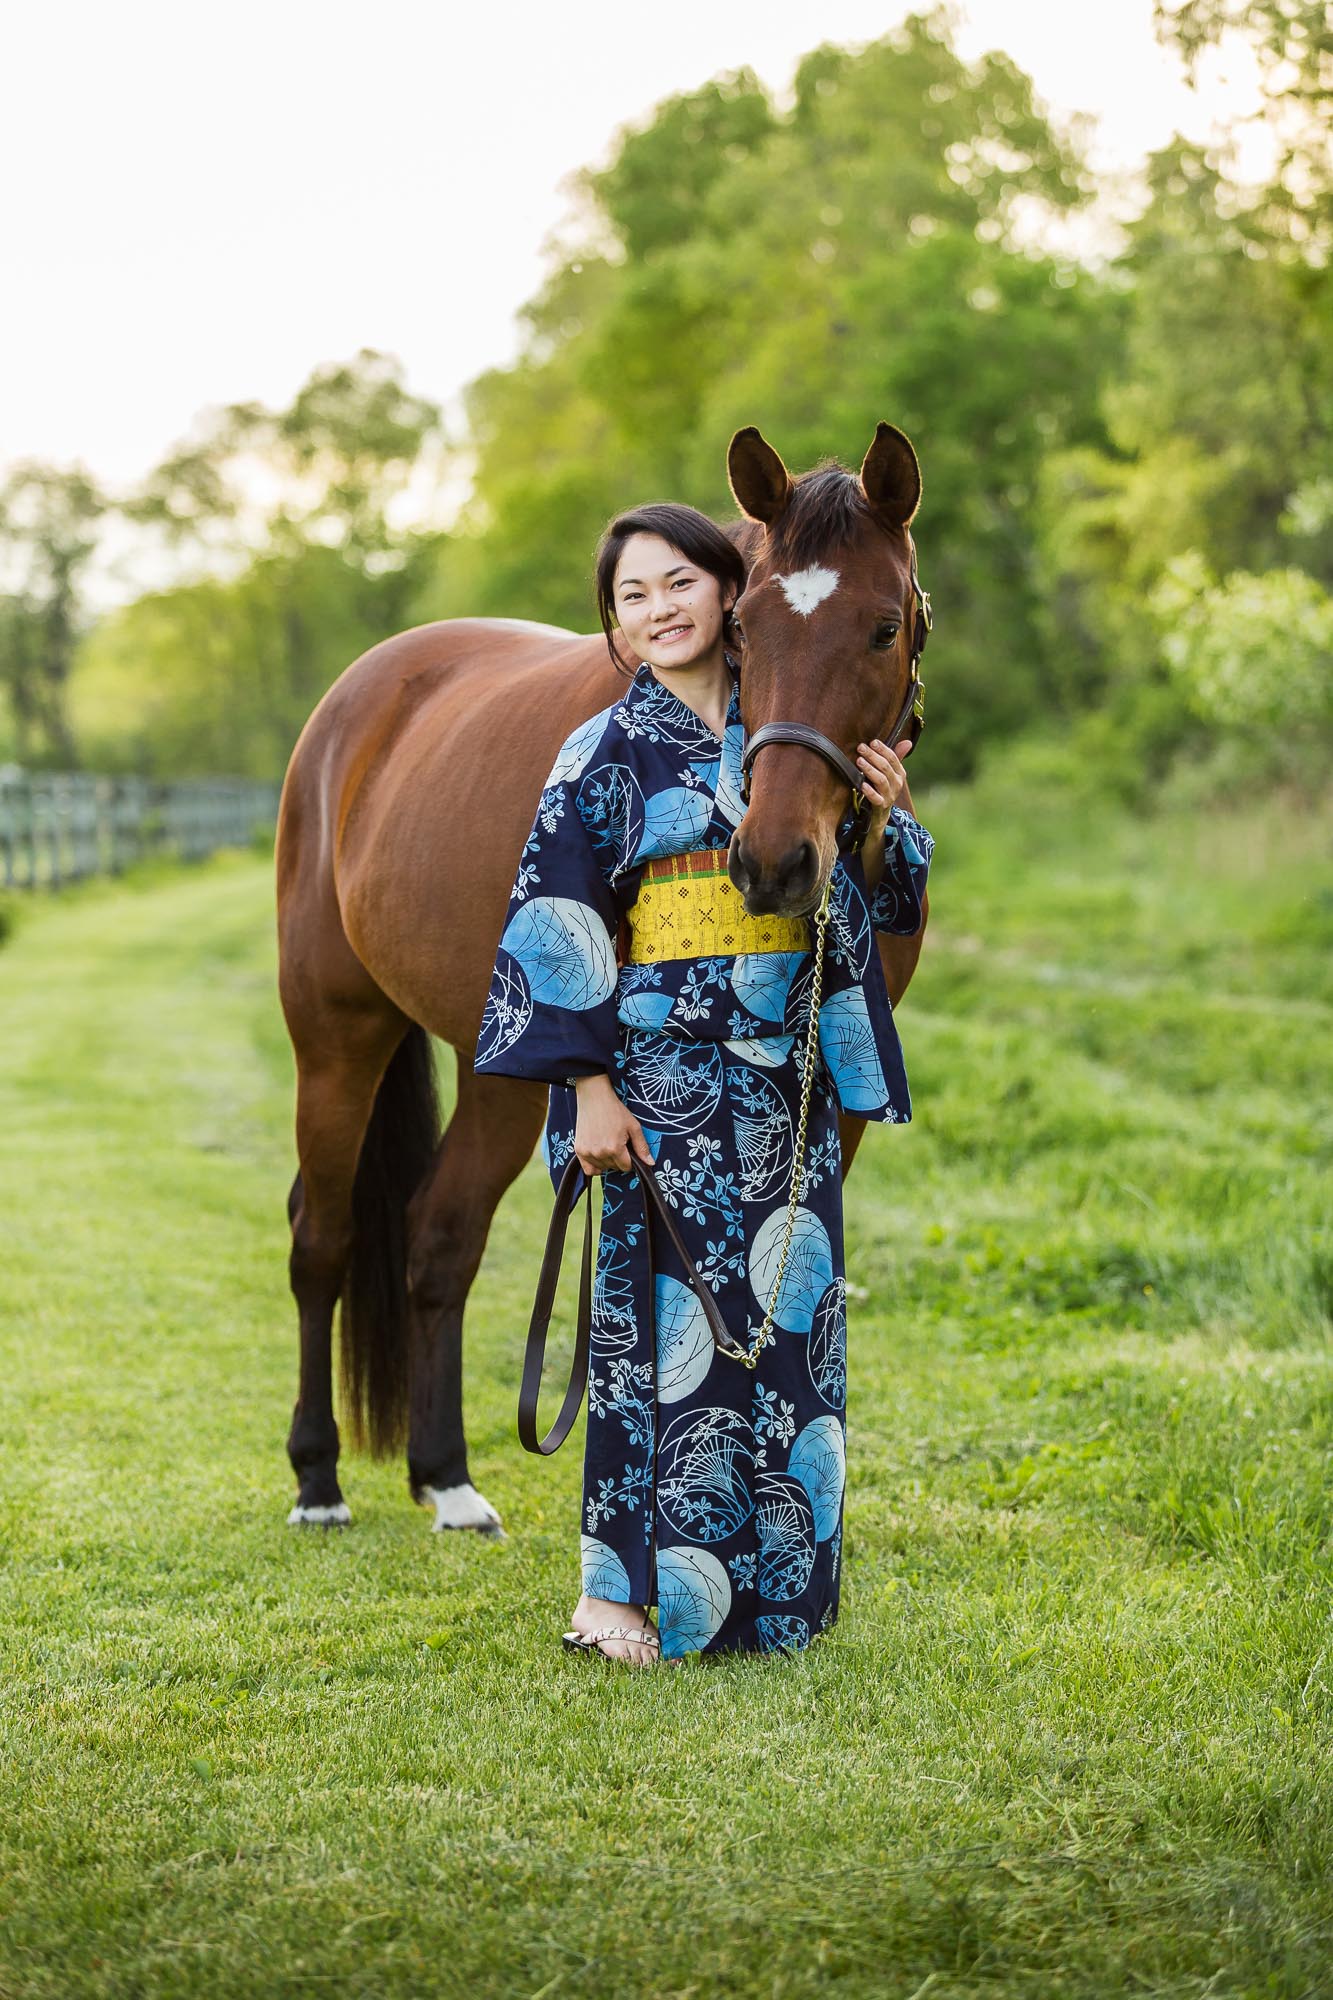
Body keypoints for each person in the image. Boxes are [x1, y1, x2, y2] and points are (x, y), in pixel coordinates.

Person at [474, 502, 933, 1665]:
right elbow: (560, 924)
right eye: (633, 594)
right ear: (615, 623)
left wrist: (889, 819)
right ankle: (618, 1600)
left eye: (680, 582)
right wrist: (584, 1086)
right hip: (658, 1077)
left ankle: (778, 1599)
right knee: (656, 1342)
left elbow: (870, 911)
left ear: (732, 592)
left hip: (782, 1083)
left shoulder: (782, 745)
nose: (660, 608)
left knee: (787, 1330)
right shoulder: (600, 753)